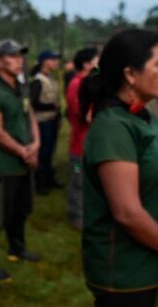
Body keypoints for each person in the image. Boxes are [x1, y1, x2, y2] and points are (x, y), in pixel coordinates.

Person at [80, 29, 158, 307]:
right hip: (126, 270)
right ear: (130, 74)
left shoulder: (148, 118)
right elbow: (127, 212)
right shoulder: (114, 127)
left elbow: (152, 170)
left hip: (149, 261)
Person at [0, 39, 41, 281]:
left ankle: (17, 247)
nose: (20, 60)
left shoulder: (20, 87)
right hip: (1, 166)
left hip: (23, 164)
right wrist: (23, 151)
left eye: (20, 56)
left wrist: (36, 144)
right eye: (14, 56)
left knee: (22, 209)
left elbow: (30, 116)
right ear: (0, 61)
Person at [65, 47, 98, 229]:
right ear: (86, 64)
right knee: (78, 179)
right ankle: (76, 215)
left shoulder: (87, 82)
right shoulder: (77, 84)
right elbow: (82, 113)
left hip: (88, 144)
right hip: (80, 147)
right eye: (95, 59)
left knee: (87, 180)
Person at [30, 50, 62, 194]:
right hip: (42, 122)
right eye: (52, 60)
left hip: (52, 120)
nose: (56, 62)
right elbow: (33, 103)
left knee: (50, 152)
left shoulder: (51, 78)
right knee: (42, 153)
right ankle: (40, 183)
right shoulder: (38, 81)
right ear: (44, 62)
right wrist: (51, 106)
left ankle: (49, 178)